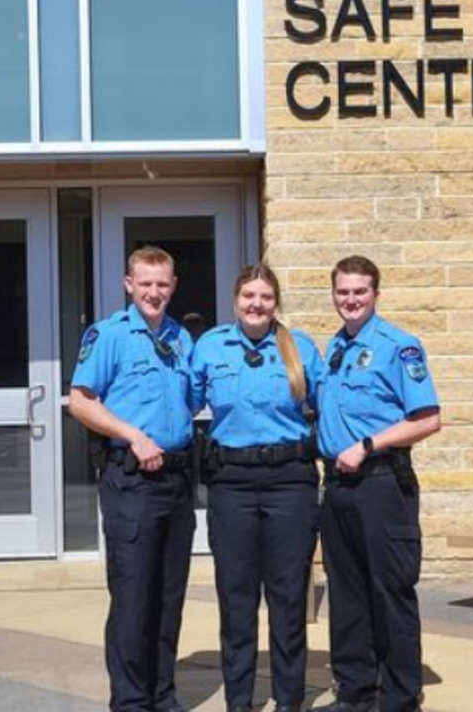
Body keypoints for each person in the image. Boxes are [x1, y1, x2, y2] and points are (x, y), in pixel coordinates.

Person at [190, 265, 324, 712]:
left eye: (265, 296)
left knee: (288, 599)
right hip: (232, 483)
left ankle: (289, 701)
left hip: (290, 481)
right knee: (237, 597)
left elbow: (332, 406)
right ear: (235, 300)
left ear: (276, 301)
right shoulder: (210, 347)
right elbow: (183, 401)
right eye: (249, 295)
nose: (256, 304)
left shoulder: (299, 348)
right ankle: (239, 701)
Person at [69, 245, 196, 712]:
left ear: (173, 285)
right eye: (145, 283)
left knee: (168, 596)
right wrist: (133, 434)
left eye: (162, 284)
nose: (154, 292)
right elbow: (80, 401)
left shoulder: (183, 339)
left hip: (177, 482)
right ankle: (130, 702)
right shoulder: (109, 335)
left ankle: (163, 696)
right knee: (133, 597)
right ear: (129, 285)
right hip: (132, 483)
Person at [316, 256, 442, 712]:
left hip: (382, 484)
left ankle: (399, 697)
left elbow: (428, 419)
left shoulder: (399, 346)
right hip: (337, 487)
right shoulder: (334, 347)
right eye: (343, 292)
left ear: (375, 294)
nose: (350, 300)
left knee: (390, 591)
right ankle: (355, 692)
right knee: (347, 594)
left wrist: (368, 444)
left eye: (360, 292)